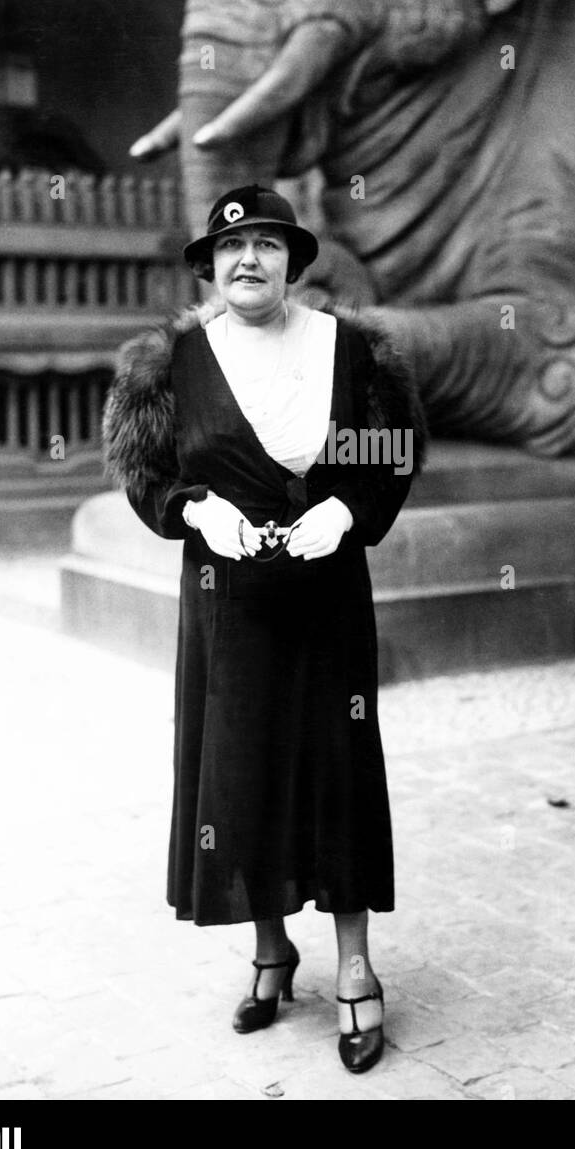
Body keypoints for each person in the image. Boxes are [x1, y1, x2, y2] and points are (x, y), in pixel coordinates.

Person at [102, 183, 426, 1074]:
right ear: (208, 266)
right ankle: (272, 948)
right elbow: (146, 475)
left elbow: (392, 454)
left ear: (293, 262)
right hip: (226, 599)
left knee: (336, 765)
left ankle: (357, 969)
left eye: (270, 247)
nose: (250, 260)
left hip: (328, 598)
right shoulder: (167, 364)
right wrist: (195, 511)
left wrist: (349, 512)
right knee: (240, 769)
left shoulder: (352, 351)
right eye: (232, 249)